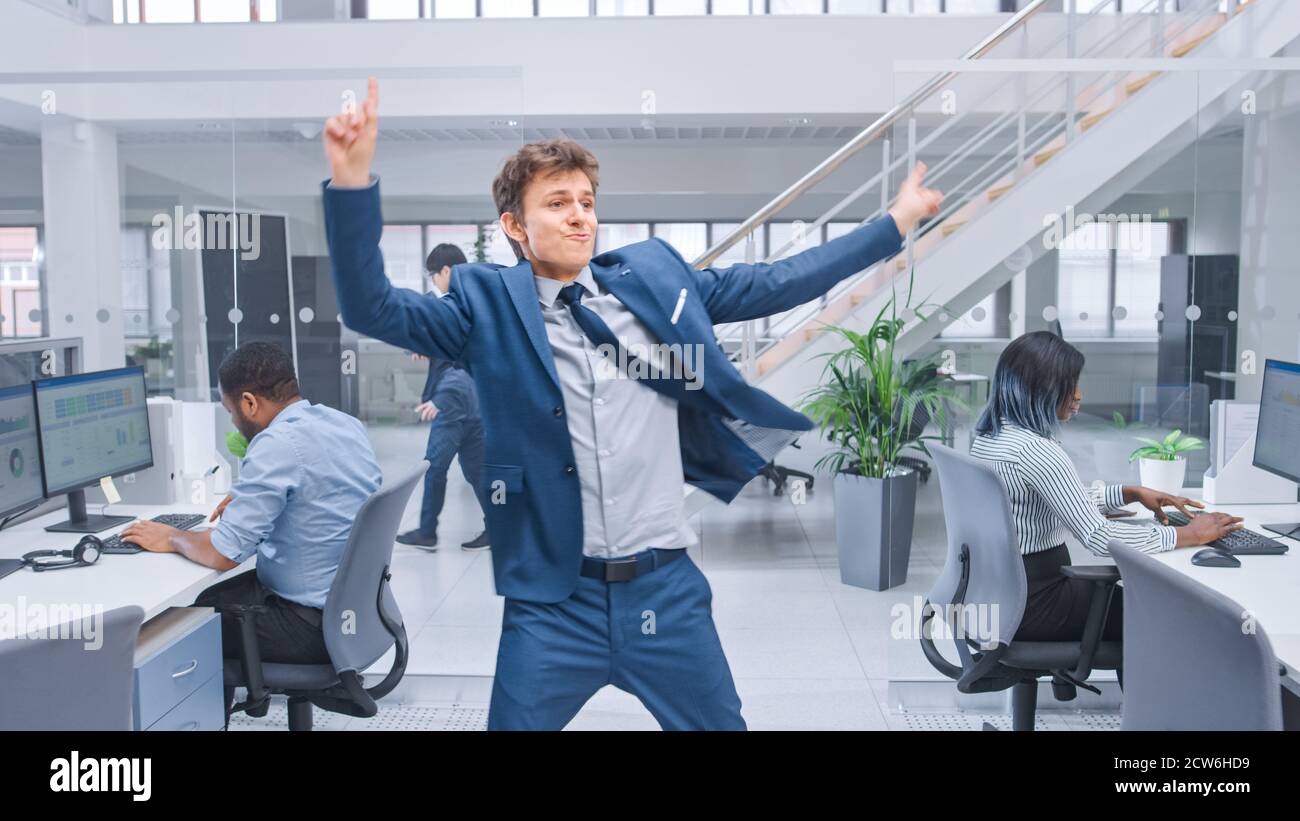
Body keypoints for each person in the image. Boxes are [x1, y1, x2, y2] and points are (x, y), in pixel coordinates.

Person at [320, 78, 942, 730]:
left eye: (586, 201)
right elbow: (373, 307)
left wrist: (893, 224)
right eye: (557, 202)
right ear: (514, 226)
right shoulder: (484, 306)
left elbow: (776, 282)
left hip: (665, 593)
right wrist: (353, 184)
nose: (578, 214)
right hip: (552, 605)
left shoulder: (652, 279)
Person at [120, 342, 382, 710]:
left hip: (309, 628)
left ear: (249, 402)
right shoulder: (343, 424)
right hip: (352, 610)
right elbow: (324, 497)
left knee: (182, 627)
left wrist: (173, 537)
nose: (233, 423)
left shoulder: (277, 443)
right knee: (210, 601)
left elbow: (223, 553)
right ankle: (250, 700)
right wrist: (255, 502)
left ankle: (209, 712)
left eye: (230, 412)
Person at [969, 331, 1244, 643]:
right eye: (1069, 384)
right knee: (1160, 614)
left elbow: (1054, 499)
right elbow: (1098, 537)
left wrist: (1129, 492)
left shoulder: (992, 439)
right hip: (1037, 603)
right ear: (1040, 389)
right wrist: (1189, 534)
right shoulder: (1036, 451)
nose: (1079, 395)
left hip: (1003, 592)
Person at [395, 242, 489, 551]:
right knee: (477, 469)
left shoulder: (461, 305)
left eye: (434, 275)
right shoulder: (470, 303)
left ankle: (427, 532)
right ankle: (499, 529)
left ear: (446, 271)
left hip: (454, 401)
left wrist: (441, 400)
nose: (434, 282)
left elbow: (458, 363)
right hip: (476, 402)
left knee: (435, 467)